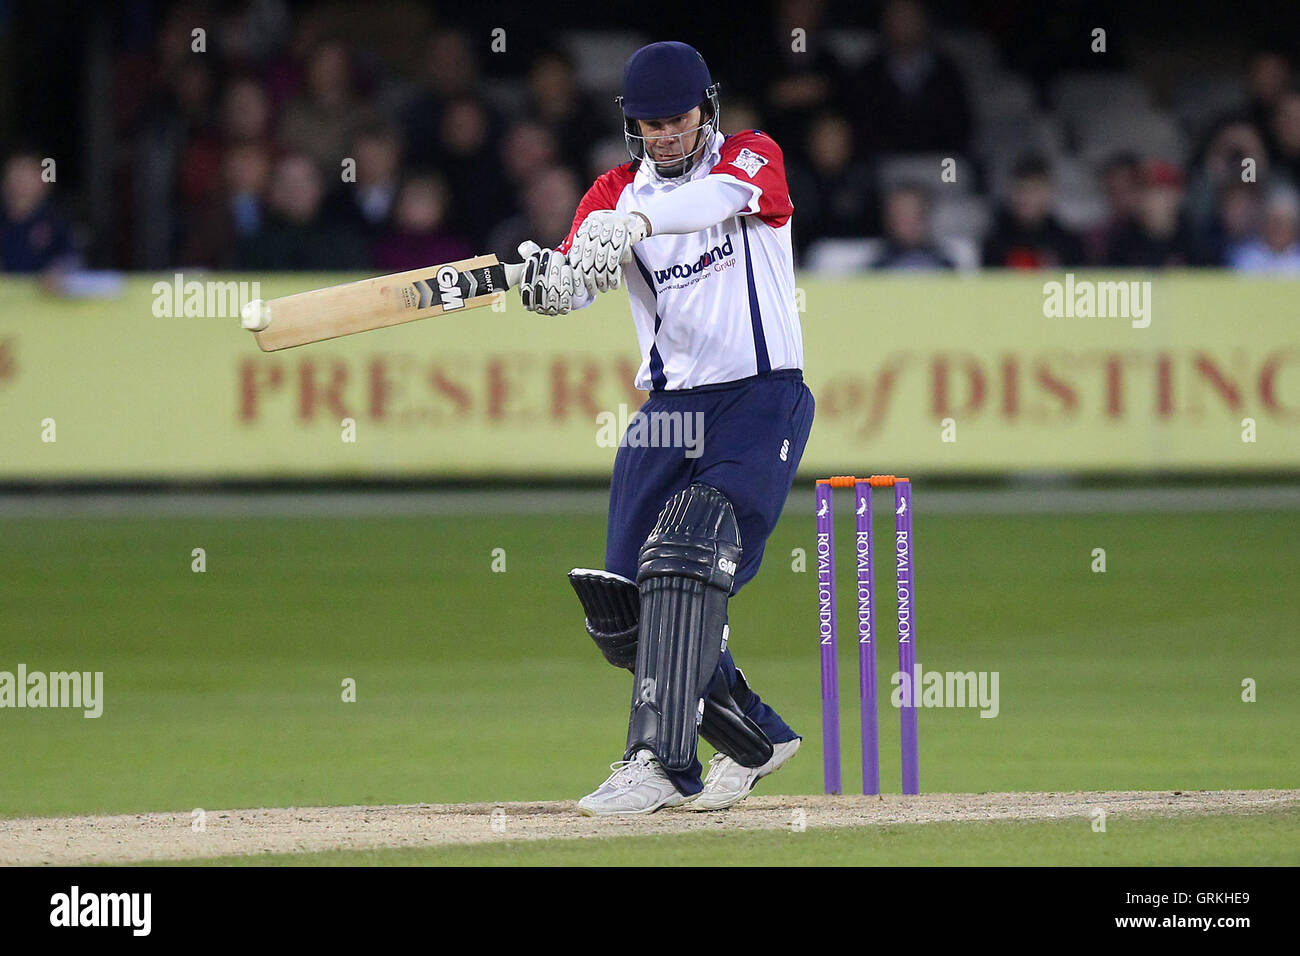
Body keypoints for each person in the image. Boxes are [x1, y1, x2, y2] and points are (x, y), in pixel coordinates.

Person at [512, 41, 811, 815]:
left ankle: (659, 761)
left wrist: (634, 221)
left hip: (758, 397)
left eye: (679, 121)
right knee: (625, 611)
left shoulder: (750, 156)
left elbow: (711, 202)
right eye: (651, 126)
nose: (668, 138)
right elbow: (581, 278)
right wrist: (555, 283)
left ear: (705, 110)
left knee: (685, 559)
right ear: (631, 127)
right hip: (666, 415)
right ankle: (755, 737)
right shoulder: (610, 189)